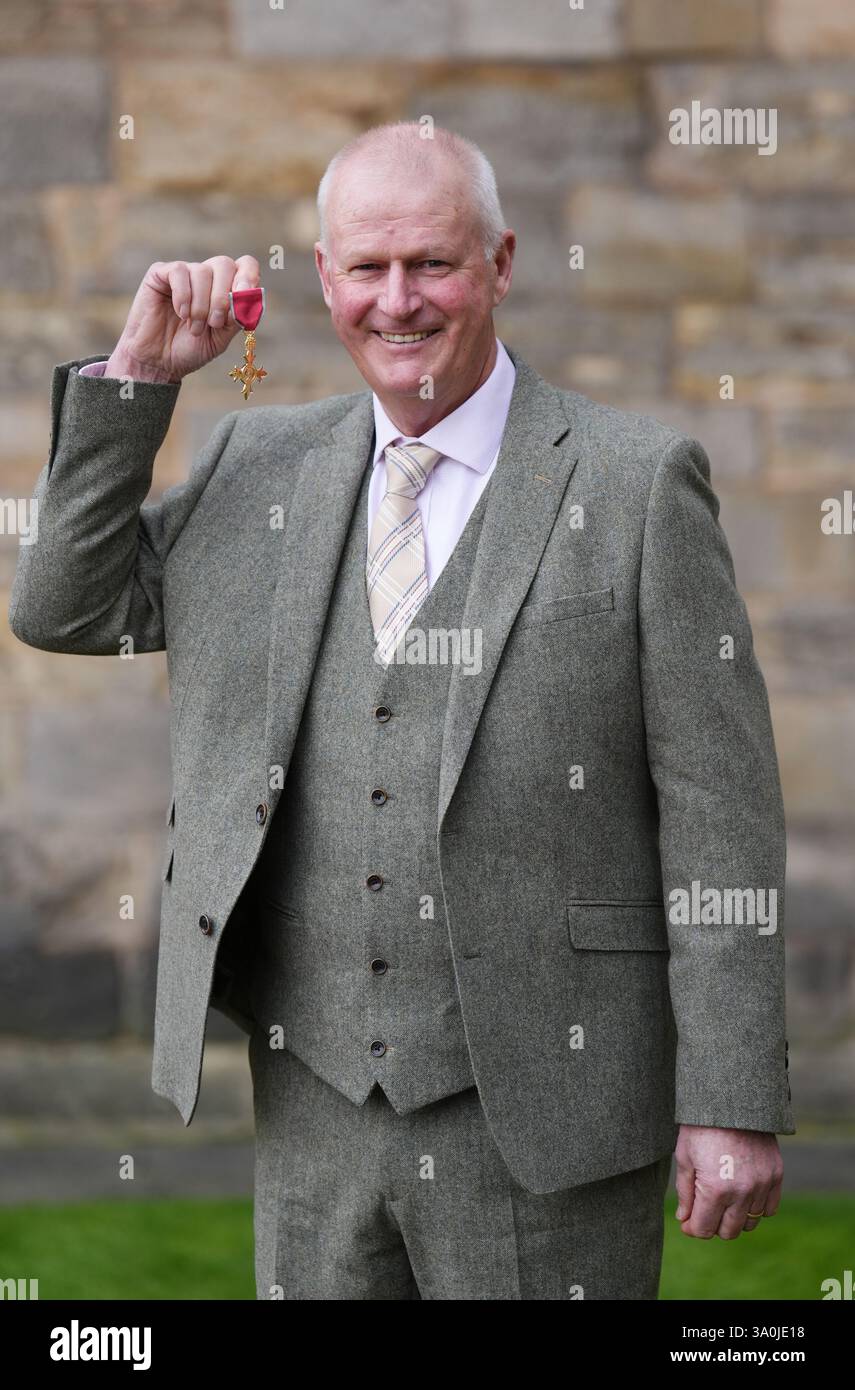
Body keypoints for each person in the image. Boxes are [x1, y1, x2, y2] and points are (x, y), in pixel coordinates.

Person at [8, 121, 793, 1300]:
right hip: (315, 1102)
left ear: (500, 264)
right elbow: (66, 608)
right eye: (367, 268)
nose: (398, 300)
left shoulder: (636, 482)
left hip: (553, 1109)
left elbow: (719, 805)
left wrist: (730, 1096)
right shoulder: (255, 467)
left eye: (432, 262)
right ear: (325, 279)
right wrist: (140, 382)